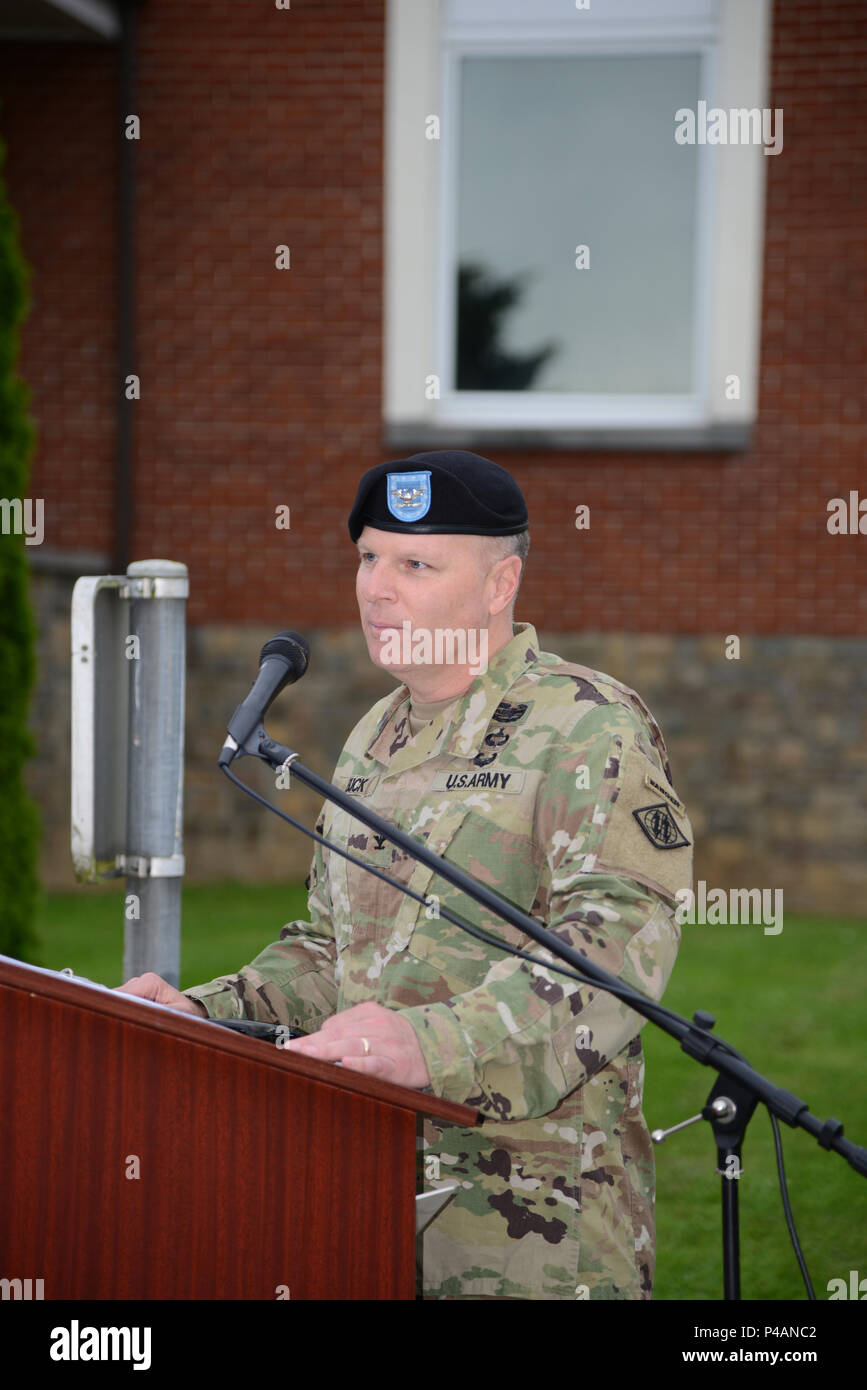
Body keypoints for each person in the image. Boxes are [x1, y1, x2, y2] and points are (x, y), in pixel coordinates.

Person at [119, 449, 693, 1300]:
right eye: (367, 558)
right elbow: (328, 950)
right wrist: (203, 1015)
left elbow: (616, 953)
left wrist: (427, 1046)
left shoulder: (583, 725)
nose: (374, 589)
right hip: (364, 1191)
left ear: (499, 585)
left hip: (531, 1222)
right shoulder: (370, 740)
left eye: (414, 565)